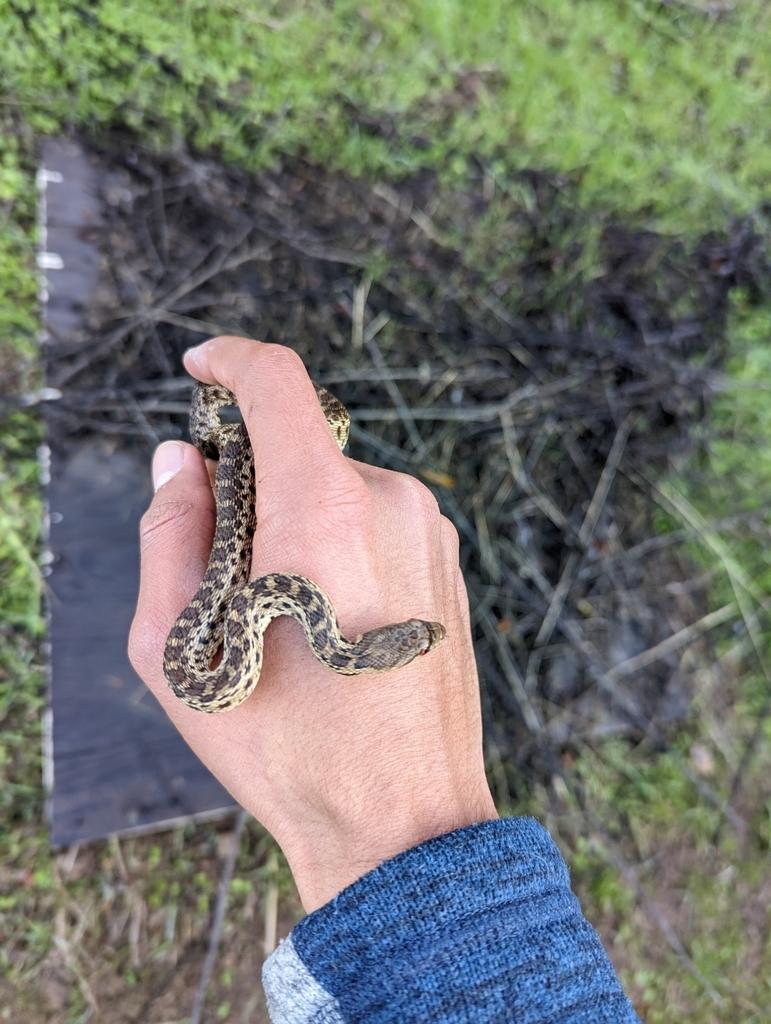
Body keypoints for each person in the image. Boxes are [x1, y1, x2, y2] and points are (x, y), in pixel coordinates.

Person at [128, 336, 641, 1023]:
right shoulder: (288, 623)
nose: (424, 637)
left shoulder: (315, 628)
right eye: (417, 638)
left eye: (416, 640)